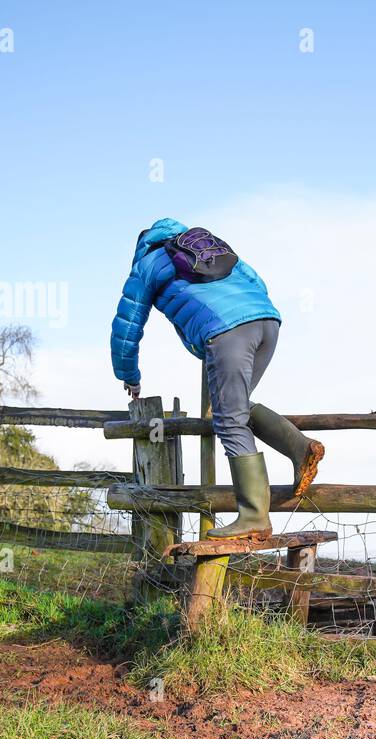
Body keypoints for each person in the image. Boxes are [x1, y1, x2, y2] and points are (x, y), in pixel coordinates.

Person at [110, 218, 323, 539]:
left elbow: (127, 327)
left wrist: (129, 375)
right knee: (234, 408)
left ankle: (254, 517)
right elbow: (255, 280)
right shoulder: (210, 245)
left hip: (227, 330)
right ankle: (300, 447)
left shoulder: (147, 263)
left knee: (229, 420)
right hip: (267, 321)